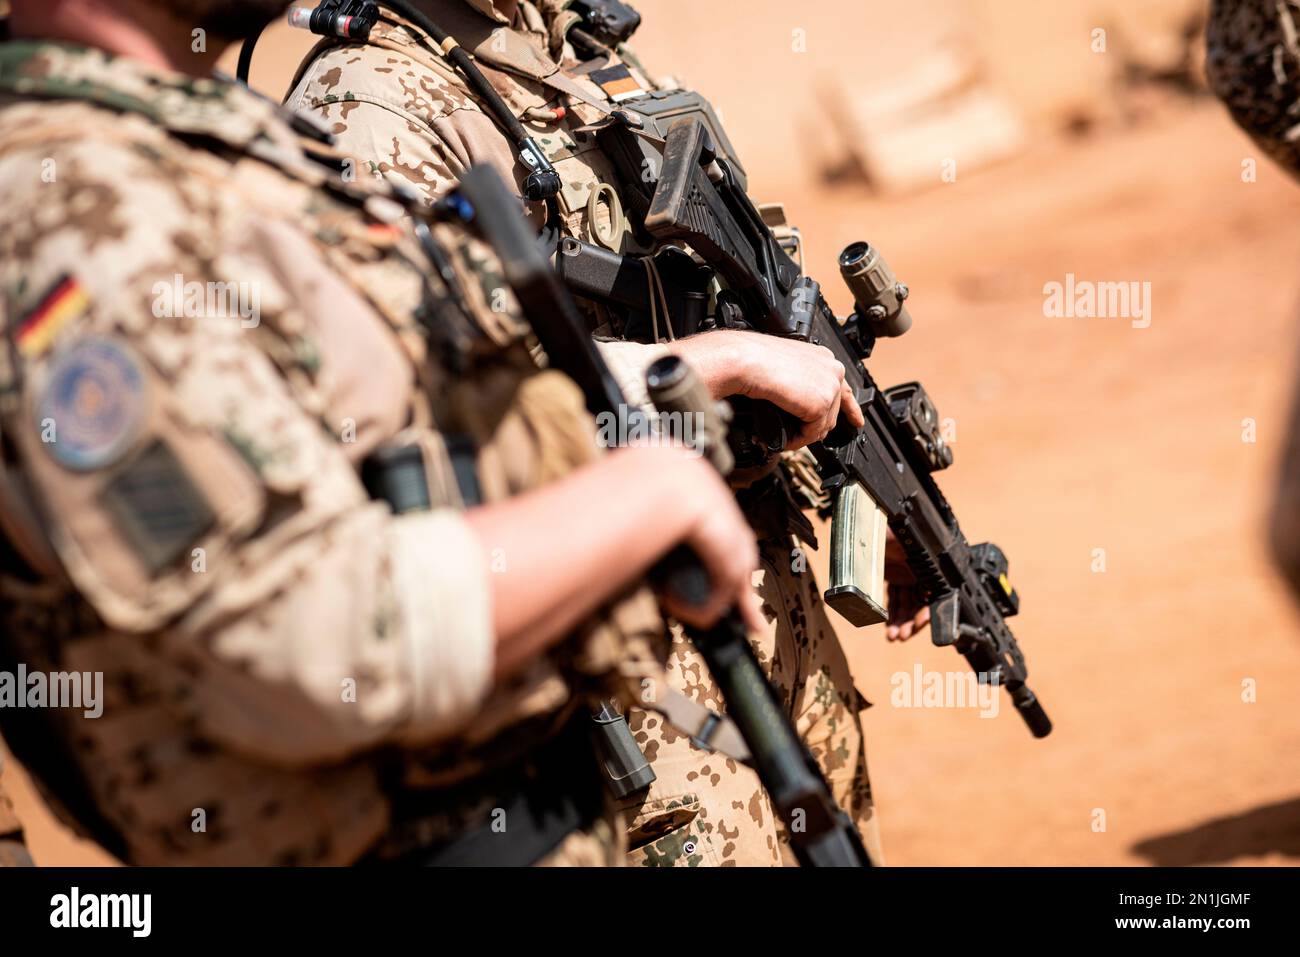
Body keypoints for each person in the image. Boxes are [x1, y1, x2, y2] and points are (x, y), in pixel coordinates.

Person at [0, 0, 766, 866]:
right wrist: (645, 494)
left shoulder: (213, 145)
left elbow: (432, 426)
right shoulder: (70, 217)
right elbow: (309, 644)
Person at [285, 0, 931, 865]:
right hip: (642, 698)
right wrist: (709, 362)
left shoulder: (580, 44)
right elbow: (416, 412)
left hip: (775, 625)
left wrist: (863, 492)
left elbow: (738, 299)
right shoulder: (363, 104)